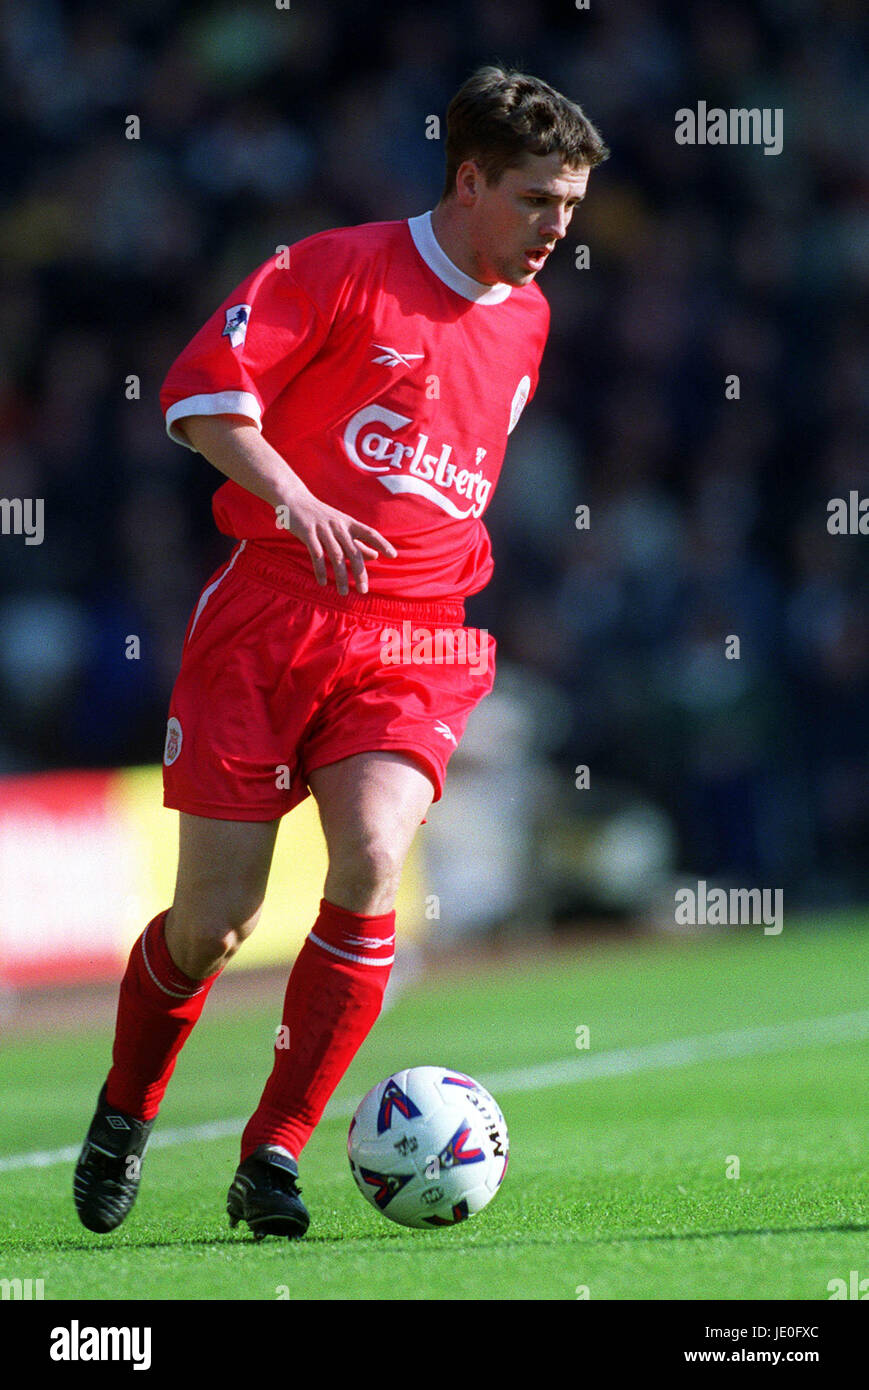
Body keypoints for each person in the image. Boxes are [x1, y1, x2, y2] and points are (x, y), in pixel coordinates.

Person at [73, 65, 607, 1239]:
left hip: (414, 639)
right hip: (270, 617)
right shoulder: (332, 267)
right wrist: (298, 501)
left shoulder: (529, 319)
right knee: (213, 922)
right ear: (467, 180)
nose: (556, 231)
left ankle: (273, 1150)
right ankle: (123, 1108)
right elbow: (205, 399)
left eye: (567, 206)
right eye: (534, 202)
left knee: (369, 860)